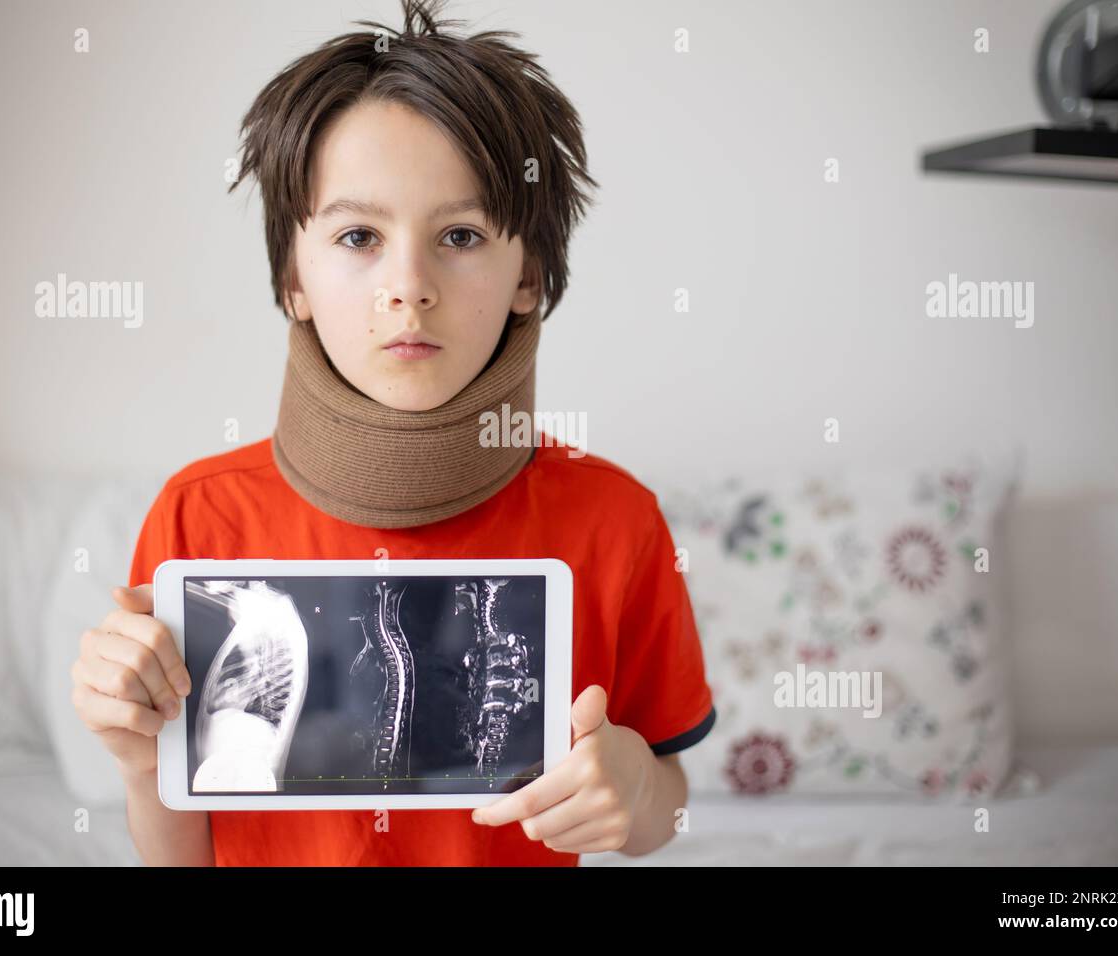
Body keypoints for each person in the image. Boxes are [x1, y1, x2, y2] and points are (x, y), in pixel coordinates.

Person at [70, 0, 715, 866]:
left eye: (459, 234)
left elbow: (664, 815)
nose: (408, 286)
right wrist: (141, 760)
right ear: (293, 280)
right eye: (358, 235)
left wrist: (635, 786)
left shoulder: (616, 519)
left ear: (528, 274)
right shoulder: (200, 520)